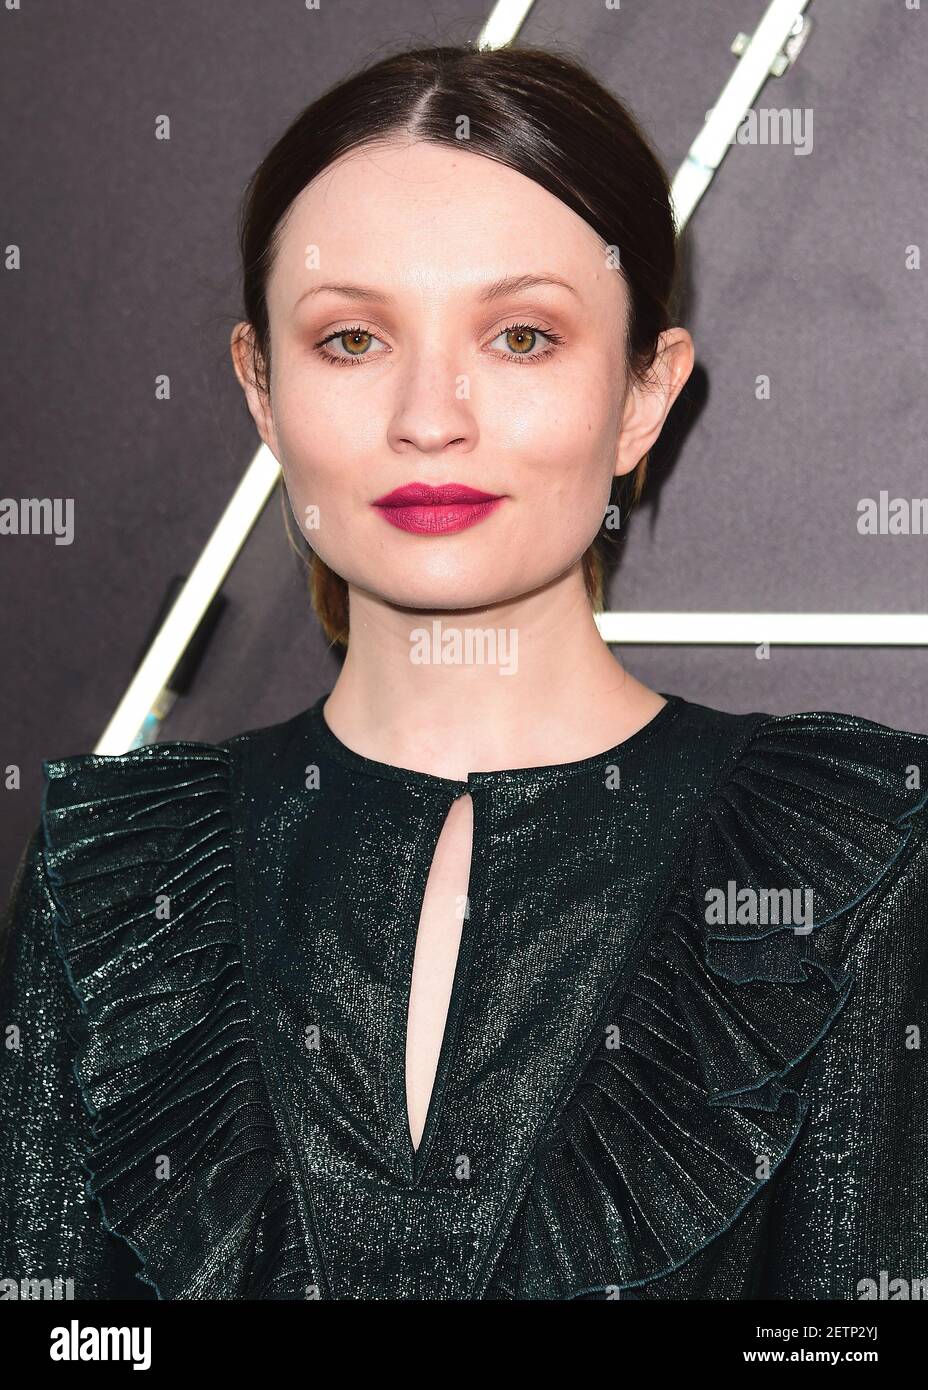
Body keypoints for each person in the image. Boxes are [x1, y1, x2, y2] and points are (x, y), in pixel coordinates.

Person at [2, 42, 926, 1302]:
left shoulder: (854, 855)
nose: (429, 416)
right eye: (349, 341)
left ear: (644, 394)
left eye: (524, 335)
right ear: (260, 390)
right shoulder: (108, 877)